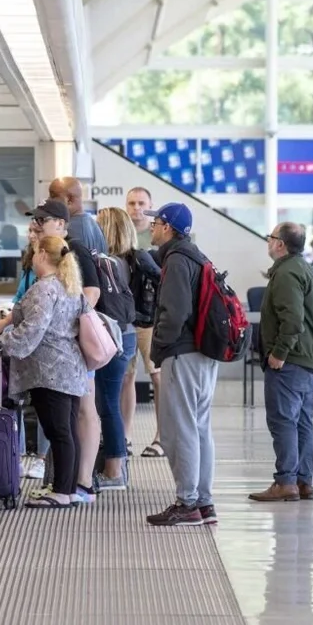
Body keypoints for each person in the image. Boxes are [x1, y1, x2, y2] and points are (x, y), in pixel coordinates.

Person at [0, 235, 85, 507]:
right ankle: (68, 489)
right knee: (68, 431)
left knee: (58, 431)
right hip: (70, 367)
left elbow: (32, 330)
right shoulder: (70, 286)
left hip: (48, 370)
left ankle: (61, 492)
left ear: (41, 255)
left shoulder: (44, 289)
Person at [143, 203, 221, 528]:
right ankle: (203, 502)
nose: (151, 228)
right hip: (203, 354)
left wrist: (158, 346)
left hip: (182, 353)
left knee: (180, 429)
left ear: (168, 227)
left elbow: (174, 313)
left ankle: (186, 502)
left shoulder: (176, 260)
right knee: (200, 427)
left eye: (156, 222)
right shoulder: (197, 256)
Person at [23, 198, 103, 501]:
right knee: (65, 422)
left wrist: (63, 323)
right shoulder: (42, 256)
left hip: (71, 349)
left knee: (79, 414)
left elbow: (89, 296)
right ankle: (64, 483)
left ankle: (79, 483)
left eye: (42, 221)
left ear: (60, 224)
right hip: (63, 349)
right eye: (35, 221)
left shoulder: (74, 251)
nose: (36, 226)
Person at [249, 222, 313, 503]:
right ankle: (303, 481)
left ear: (280, 244)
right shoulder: (308, 271)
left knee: (283, 420)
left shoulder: (286, 273)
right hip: (312, 360)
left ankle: (285, 481)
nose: (268, 242)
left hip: (291, 361)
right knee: (302, 422)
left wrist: (279, 353)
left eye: (270, 237)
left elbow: (292, 319)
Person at [94, 207, 140, 489]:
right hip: (128, 334)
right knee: (110, 400)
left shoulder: (109, 264)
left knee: (107, 403)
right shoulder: (130, 261)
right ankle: (116, 465)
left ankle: (114, 469)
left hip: (113, 335)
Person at [124, 187, 165, 458]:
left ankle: (161, 437)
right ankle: (124, 437)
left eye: (141, 203)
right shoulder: (120, 234)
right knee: (125, 377)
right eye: (132, 203)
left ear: (151, 206)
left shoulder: (158, 237)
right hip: (126, 318)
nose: (136, 208)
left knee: (157, 377)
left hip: (152, 319)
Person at [50, 176, 107, 254]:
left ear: (69, 199)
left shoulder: (67, 230)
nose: (49, 200)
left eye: (53, 196)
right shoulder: (96, 226)